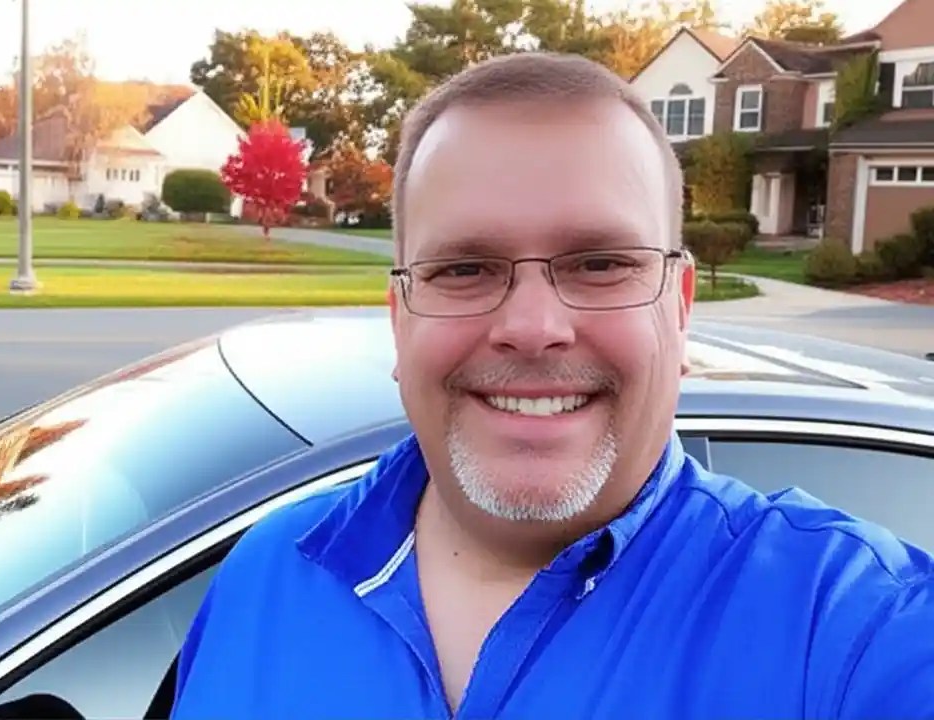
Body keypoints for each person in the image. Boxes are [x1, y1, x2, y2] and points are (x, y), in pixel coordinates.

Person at [169, 52, 934, 719]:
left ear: (680, 306)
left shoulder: (849, 629)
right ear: (400, 319)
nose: (533, 326)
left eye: (600, 264)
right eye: (464, 269)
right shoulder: (264, 577)